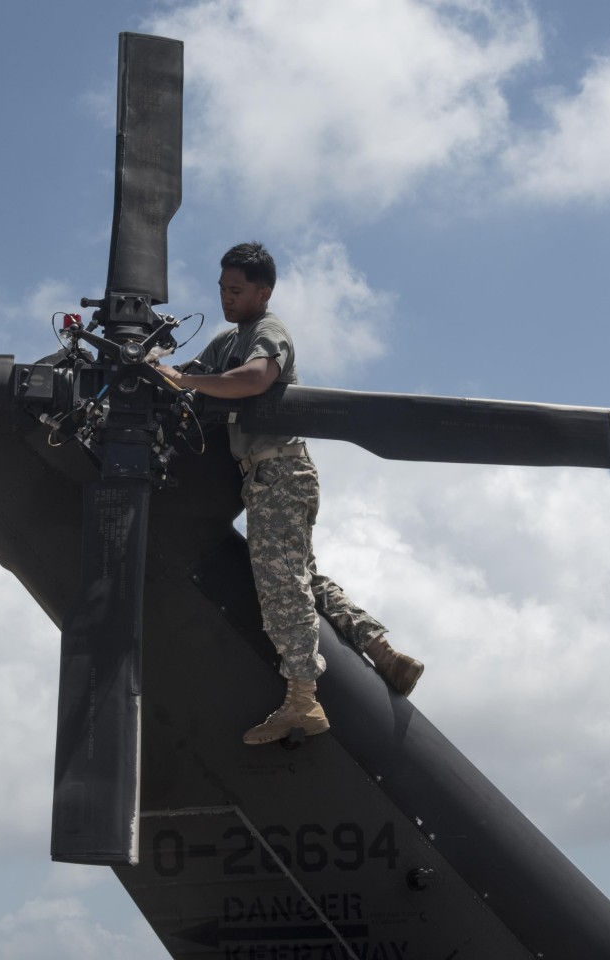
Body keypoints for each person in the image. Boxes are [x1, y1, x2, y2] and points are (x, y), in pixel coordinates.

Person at [156, 242, 424, 745]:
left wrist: (187, 378)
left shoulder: (267, 333)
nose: (226, 299)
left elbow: (256, 379)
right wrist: (156, 368)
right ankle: (382, 650)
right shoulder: (226, 343)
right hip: (268, 478)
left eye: (236, 290)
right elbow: (187, 383)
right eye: (222, 290)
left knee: (281, 586)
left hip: (280, 472)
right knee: (302, 577)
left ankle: (303, 698)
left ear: (264, 291)